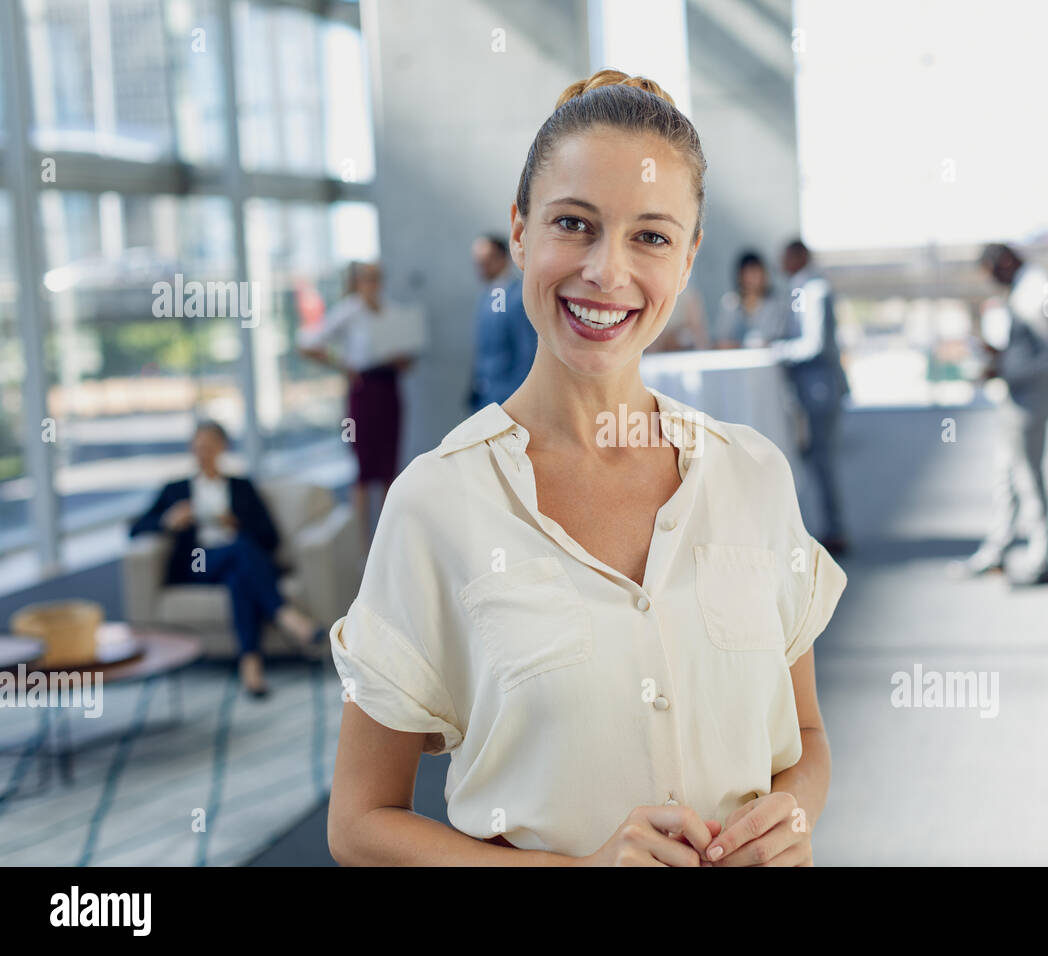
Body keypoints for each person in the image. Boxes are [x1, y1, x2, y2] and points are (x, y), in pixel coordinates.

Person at [326, 70, 848, 867]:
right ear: (521, 232)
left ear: (688, 256)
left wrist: (792, 815)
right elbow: (359, 823)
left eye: (651, 235)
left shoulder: (753, 476)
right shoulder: (437, 502)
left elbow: (805, 737)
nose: (607, 272)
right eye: (575, 224)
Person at [128, 420, 327, 697]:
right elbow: (135, 527)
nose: (203, 453)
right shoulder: (176, 490)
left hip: (236, 561)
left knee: (239, 575)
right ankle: (285, 615)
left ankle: (251, 666)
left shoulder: (241, 487)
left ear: (222, 448)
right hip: (197, 561)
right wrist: (169, 520)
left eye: (209, 447)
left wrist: (236, 523)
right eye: (198, 447)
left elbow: (270, 537)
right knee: (241, 549)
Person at [951, 242, 1048, 586]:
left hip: (1030, 401)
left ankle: (1041, 559)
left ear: (1004, 262)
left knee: (1029, 480)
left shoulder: (1037, 287)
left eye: (992, 273)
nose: (992, 282)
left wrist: (1003, 369)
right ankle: (997, 551)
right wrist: (999, 357)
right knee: (1005, 477)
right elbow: (1029, 348)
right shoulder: (1025, 286)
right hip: (1016, 397)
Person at [298, 261, 417, 555]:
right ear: (357, 281)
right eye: (366, 278)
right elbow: (308, 343)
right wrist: (341, 365)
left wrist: (400, 358)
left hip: (389, 388)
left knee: (389, 465)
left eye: (376, 278)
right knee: (364, 468)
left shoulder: (392, 311)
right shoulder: (348, 311)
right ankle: (363, 548)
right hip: (363, 391)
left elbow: (409, 360)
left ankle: (389, 541)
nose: (371, 284)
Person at [769, 239, 851, 557]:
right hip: (806, 387)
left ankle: (835, 529)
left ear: (799, 256)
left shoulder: (815, 290)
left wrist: (778, 351)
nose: (781, 262)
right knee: (811, 460)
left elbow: (813, 343)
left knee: (822, 461)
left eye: (785, 256)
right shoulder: (799, 288)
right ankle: (822, 527)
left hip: (820, 388)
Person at [466, 234, 538, 413]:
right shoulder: (487, 296)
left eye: (486, 261)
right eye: (478, 262)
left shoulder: (517, 297)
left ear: (501, 258)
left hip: (508, 396)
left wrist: (517, 397)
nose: (481, 268)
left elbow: (526, 352)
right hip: (485, 396)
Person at [714, 250, 787, 348]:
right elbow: (721, 339)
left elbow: (778, 338)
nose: (752, 278)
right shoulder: (730, 303)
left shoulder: (776, 304)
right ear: (740, 276)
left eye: (756, 273)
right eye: (748, 273)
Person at [642, 281, 708, 352]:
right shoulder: (652, 297)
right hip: (659, 349)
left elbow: (698, 329)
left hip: (684, 350)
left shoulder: (688, 296)